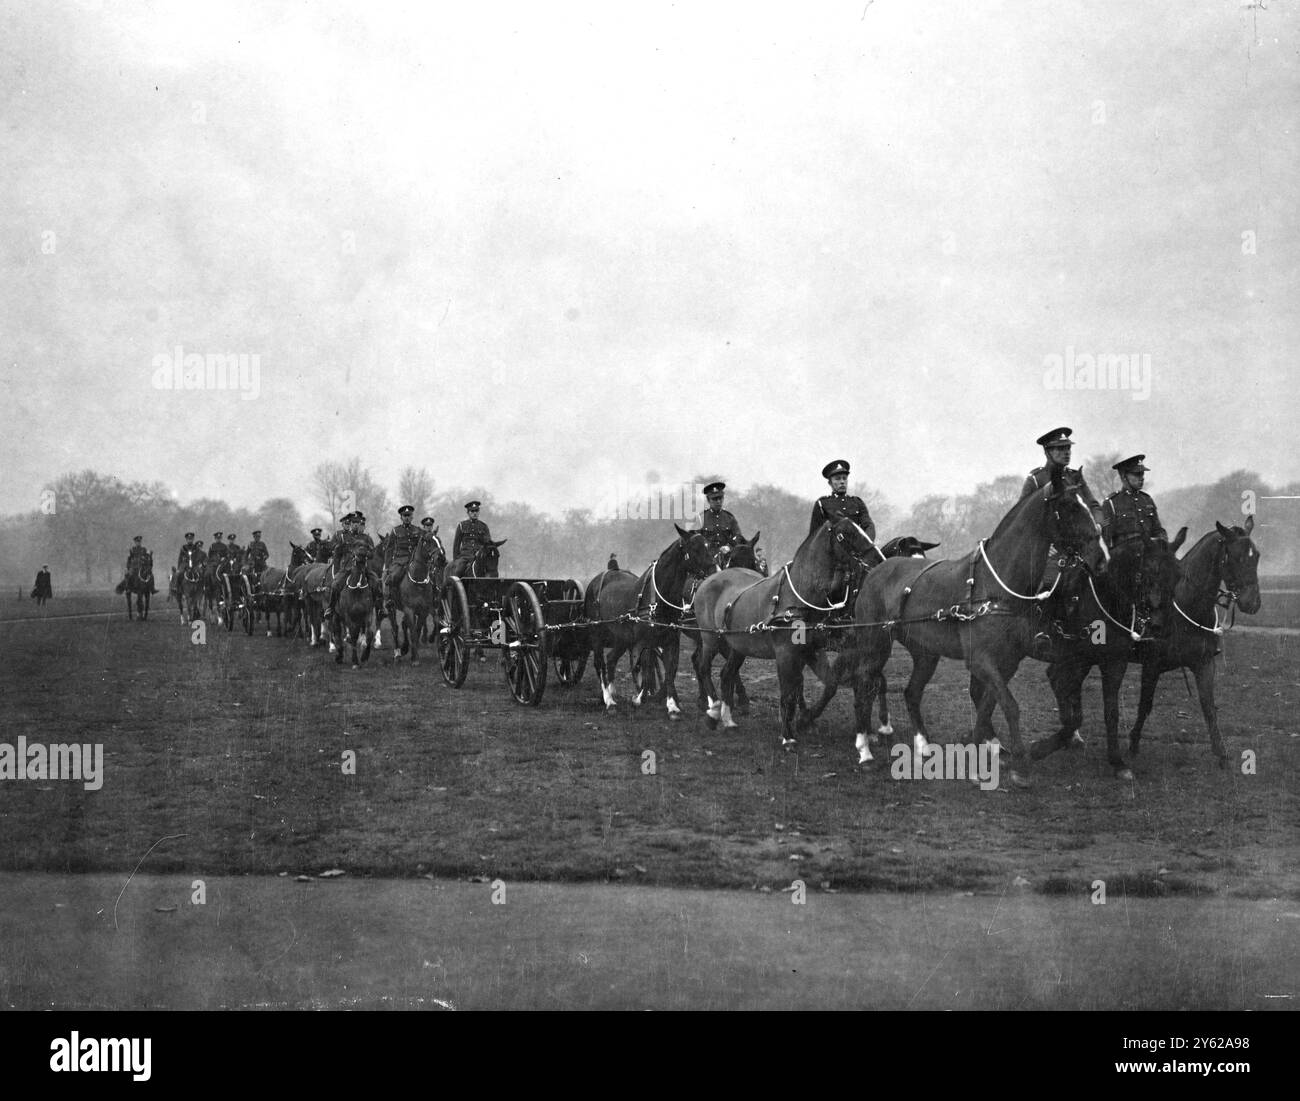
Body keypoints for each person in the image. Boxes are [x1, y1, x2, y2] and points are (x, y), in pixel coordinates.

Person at [1023, 427, 1103, 646]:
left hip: (1075, 545)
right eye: (1060, 449)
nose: (1066, 453)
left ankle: (1095, 634)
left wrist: (1097, 522)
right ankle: (1042, 631)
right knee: (1051, 581)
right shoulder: (1037, 479)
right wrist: (1043, 544)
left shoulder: (1074, 477)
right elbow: (1025, 517)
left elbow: (1093, 503)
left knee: (1097, 578)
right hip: (1046, 547)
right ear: (1048, 452)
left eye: (1067, 448)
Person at [1102, 455, 1168, 637]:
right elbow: (1108, 539)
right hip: (1125, 560)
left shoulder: (1147, 501)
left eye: (1142, 475)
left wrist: (1161, 541)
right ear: (1124, 477)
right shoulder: (1111, 504)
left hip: (1150, 557)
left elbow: (1159, 529)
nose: (1141, 478)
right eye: (1136, 475)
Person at [809, 460, 875, 539]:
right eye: (837, 479)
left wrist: (865, 543)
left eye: (844, 478)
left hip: (857, 547)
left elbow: (868, 526)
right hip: (832, 550)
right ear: (830, 483)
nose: (842, 482)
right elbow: (815, 536)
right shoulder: (822, 504)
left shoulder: (857, 502)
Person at [383, 505, 421, 612]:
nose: (407, 518)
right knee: (392, 577)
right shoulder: (396, 531)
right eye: (405, 516)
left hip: (414, 560)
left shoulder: (417, 530)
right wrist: (388, 566)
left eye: (409, 515)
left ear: (412, 517)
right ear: (401, 517)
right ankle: (390, 599)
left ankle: (432, 596)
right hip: (400, 561)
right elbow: (389, 550)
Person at [698, 482, 742, 565]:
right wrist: (710, 549)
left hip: (728, 559)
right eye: (714, 499)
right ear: (708, 500)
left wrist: (729, 547)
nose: (718, 501)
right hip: (707, 561)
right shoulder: (701, 518)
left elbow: (738, 536)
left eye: (720, 498)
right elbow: (695, 539)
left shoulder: (729, 517)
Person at [450, 500, 493, 577]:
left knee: (491, 572)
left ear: (479, 512)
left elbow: (488, 543)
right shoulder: (462, 525)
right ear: (468, 513)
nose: (474, 513)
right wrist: (455, 560)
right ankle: (456, 588)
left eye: (476, 511)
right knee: (458, 571)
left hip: (479, 557)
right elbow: (456, 545)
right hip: (465, 557)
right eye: (472, 511)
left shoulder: (484, 526)